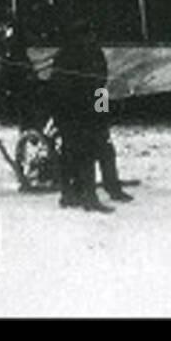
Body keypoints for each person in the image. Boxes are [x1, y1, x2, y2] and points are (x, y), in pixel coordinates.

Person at [49, 17, 132, 212]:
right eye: (88, 35)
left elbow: (100, 86)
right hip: (72, 113)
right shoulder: (67, 56)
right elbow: (62, 89)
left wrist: (102, 113)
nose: (92, 38)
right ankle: (80, 195)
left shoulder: (95, 53)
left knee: (104, 149)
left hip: (91, 110)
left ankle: (112, 187)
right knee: (79, 153)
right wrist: (69, 116)